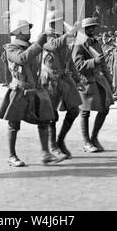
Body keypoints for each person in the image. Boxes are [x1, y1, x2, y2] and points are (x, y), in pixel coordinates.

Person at [0, 20, 60, 167]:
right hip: (19, 90)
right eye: (26, 29)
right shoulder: (11, 48)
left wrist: (49, 39)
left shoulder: (32, 46)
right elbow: (22, 58)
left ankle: (45, 153)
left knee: (44, 120)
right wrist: (38, 44)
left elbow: (48, 48)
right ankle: (11, 156)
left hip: (35, 89)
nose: (29, 31)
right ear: (18, 32)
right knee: (14, 124)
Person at [41, 10, 81, 160]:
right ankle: (53, 147)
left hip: (65, 79)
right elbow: (54, 45)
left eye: (60, 22)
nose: (59, 25)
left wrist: (77, 78)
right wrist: (71, 32)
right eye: (56, 22)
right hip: (50, 80)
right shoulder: (45, 37)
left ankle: (60, 140)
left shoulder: (64, 38)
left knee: (74, 110)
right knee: (51, 115)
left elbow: (68, 60)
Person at [72, 18, 114, 153]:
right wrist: (93, 62)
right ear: (83, 30)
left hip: (99, 80)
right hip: (86, 81)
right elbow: (77, 65)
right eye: (88, 28)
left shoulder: (95, 42)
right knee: (85, 112)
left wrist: (109, 80)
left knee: (105, 108)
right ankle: (86, 142)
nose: (91, 30)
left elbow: (103, 64)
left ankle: (94, 137)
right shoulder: (78, 44)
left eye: (93, 27)